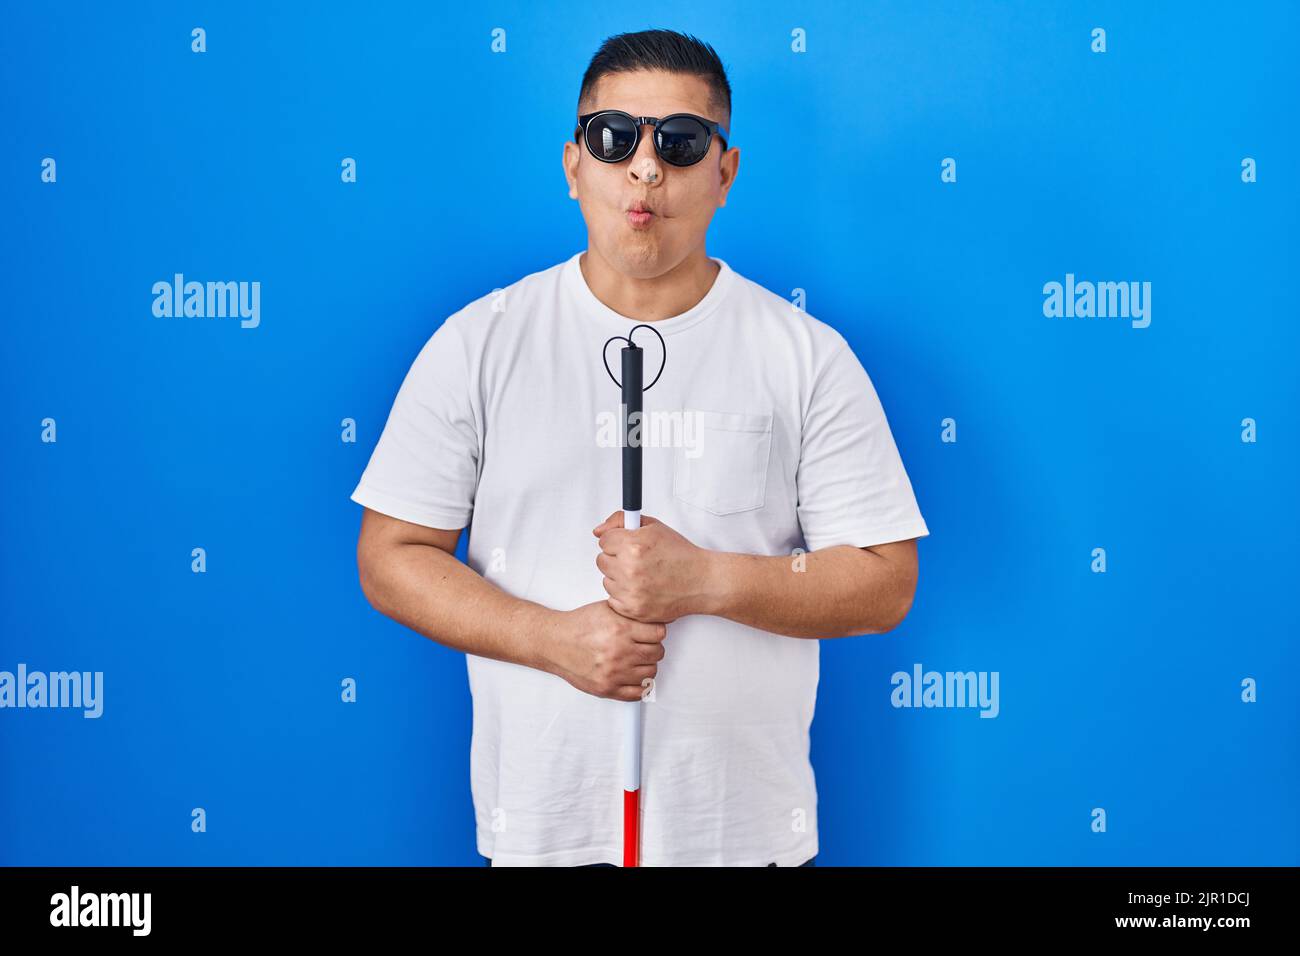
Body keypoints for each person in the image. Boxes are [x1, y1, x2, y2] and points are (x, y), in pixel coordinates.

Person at [350, 29, 929, 867]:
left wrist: (707, 579)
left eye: (681, 142)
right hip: (543, 836)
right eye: (613, 137)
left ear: (725, 173)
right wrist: (549, 639)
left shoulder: (805, 355)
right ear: (574, 163)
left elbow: (884, 581)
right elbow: (391, 555)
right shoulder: (479, 343)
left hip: (745, 838)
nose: (646, 168)